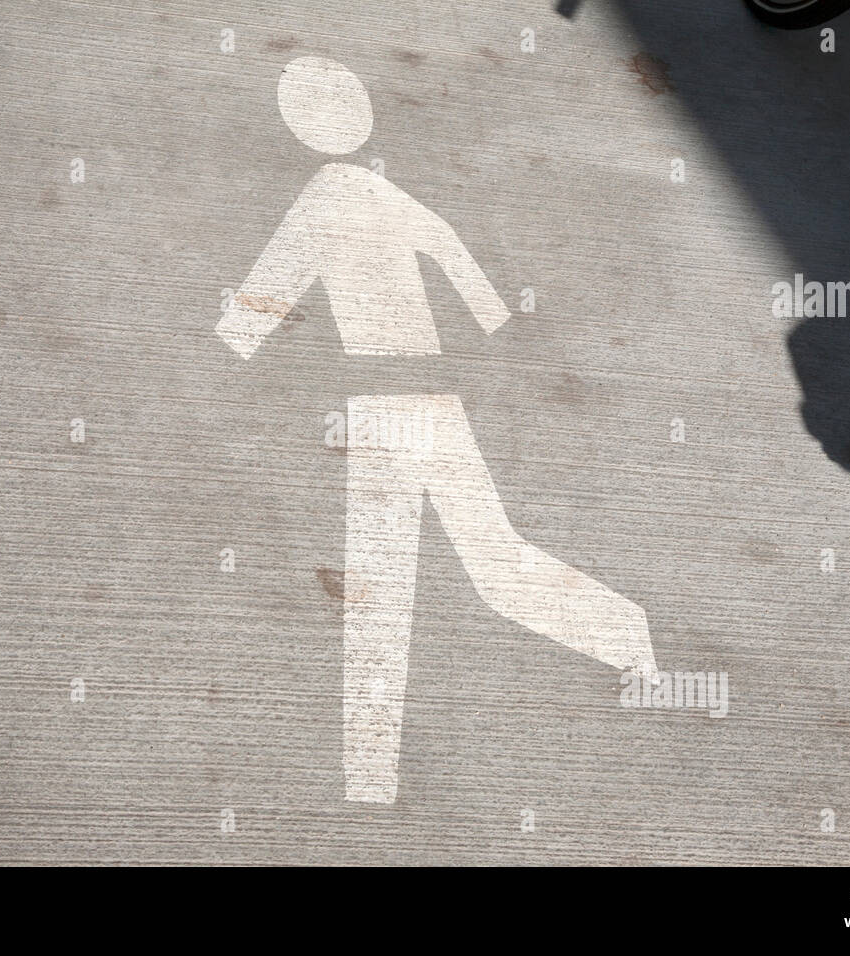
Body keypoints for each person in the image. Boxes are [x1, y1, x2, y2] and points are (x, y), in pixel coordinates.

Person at [218, 57, 658, 803]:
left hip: (382, 408)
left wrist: (235, 338)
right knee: (493, 566)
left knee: (383, 599)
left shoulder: (326, 192)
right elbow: (447, 240)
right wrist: (489, 314)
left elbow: (269, 286)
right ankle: (628, 637)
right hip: (430, 401)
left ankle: (369, 776)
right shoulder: (385, 189)